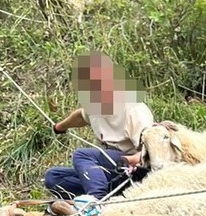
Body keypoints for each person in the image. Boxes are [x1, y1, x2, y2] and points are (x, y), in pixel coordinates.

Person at [43, 51, 152, 207]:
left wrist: (128, 160)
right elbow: (81, 116)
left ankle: (97, 202)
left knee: (82, 156)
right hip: (111, 171)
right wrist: (60, 127)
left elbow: (151, 151)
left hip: (135, 174)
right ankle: (106, 199)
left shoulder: (133, 109)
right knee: (53, 177)